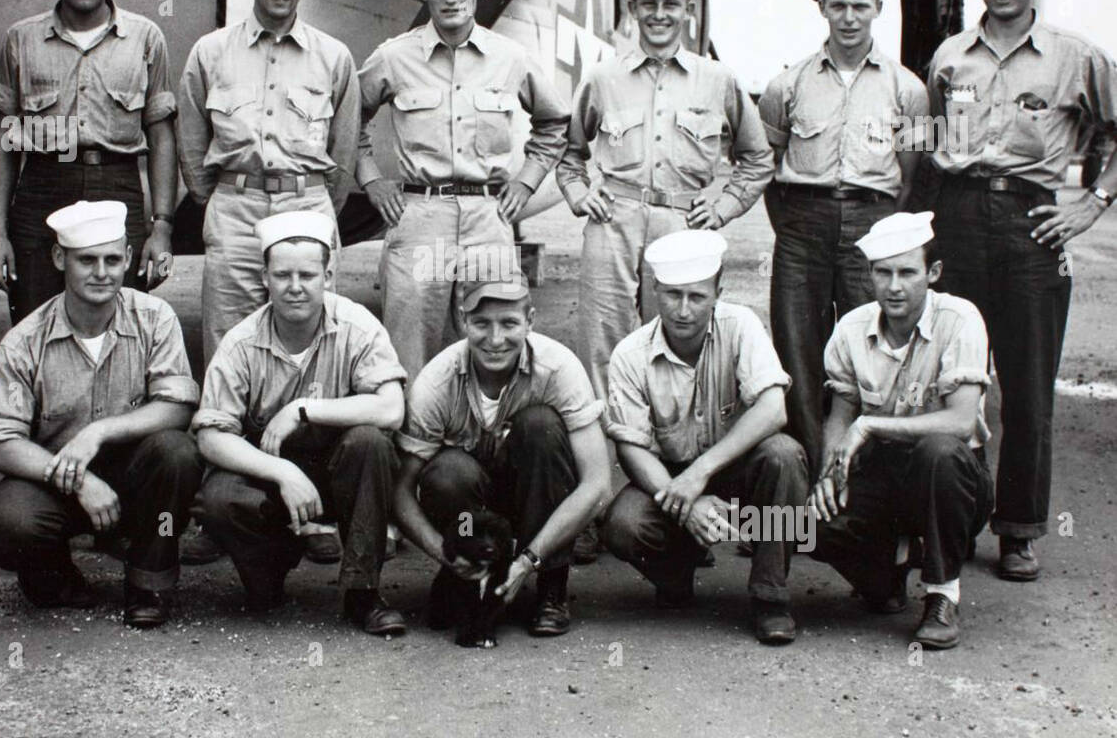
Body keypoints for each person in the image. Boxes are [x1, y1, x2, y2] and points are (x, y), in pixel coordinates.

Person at [925, 0, 1117, 581]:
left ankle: (1018, 527)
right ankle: (948, 514)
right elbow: (931, 143)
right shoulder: (951, 57)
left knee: (1027, 387)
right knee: (947, 373)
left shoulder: (1077, 57)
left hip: (1032, 222)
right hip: (958, 216)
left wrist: (1092, 202)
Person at [557, 0, 773, 403]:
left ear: (688, 9)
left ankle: (670, 438)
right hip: (612, 221)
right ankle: (607, 446)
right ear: (632, 10)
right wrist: (579, 196)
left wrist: (722, 208)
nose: (660, 14)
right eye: (649, 4)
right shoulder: (602, 78)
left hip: (681, 224)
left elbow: (757, 159)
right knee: (603, 338)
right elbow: (569, 154)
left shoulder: (718, 80)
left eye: (671, 4)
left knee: (676, 336)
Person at [0, 201, 203, 628]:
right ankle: (54, 575)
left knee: (177, 454)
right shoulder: (25, 340)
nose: (102, 272)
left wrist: (97, 432)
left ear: (129, 259)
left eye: (113, 259)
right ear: (60, 259)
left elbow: (177, 407)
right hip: (58, 479)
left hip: (135, 473)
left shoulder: (155, 318)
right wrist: (81, 481)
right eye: (87, 260)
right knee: (6, 524)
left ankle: (147, 581)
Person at [357, 0, 569, 380]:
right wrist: (371, 178)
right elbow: (345, 118)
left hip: (487, 220)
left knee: (491, 340)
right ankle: (412, 445)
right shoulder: (394, 58)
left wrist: (527, 180)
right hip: (419, 219)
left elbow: (556, 121)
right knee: (408, 349)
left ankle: (479, 446)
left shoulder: (510, 57)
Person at [192, 211, 410, 635]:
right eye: (283, 275)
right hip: (270, 477)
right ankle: (269, 570)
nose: (295, 287)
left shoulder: (357, 325)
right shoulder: (240, 342)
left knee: (371, 444)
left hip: (339, 474)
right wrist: (284, 472)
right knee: (219, 496)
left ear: (328, 276)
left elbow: (390, 409)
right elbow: (212, 437)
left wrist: (303, 410)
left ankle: (363, 592)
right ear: (264, 278)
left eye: (307, 275)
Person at [760, 0, 928, 475]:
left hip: (871, 224)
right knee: (797, 351)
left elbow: (910, 175)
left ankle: (863, 483)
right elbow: (766, 166)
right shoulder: (786, 85)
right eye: (839, 6)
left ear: (878, 7)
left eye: (860, 6)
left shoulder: (909, 89)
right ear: (823, 9)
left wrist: (877, 232)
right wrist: (791, 227)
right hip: (802, 226)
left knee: (873, 350)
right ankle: (803, 479)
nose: (850, 17)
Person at [600, 230, 807, 645]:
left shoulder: (742, 324)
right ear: (655, 290)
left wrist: (701, 473)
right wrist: (688, 496)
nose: (683, 310)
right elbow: (630, 447)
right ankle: (677, 568)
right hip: (670, 476)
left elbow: (773, 409)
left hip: (735, 466)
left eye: (696, 297)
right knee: (622, 524)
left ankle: (771, 595)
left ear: (718, 292)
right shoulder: (630, 353)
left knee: (784, 456)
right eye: (673, 295)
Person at [390, 255, 611, 643]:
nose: (495, 340)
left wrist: (529, 560)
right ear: (462, 322)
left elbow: (597, 484)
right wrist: (443, 551)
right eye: (481, 323)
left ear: (531, 321)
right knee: (447, 473)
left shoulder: (559, 369)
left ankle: (550, 587)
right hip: (472, 516)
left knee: (540, 426)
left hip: (536, 502)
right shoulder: (437, 382)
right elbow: (402, 490)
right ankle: (464, 571)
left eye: (509, 323)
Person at [177, 0, 358, 366]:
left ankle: (302, 427)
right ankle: (226, 430)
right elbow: (192, 142)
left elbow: (344, 148)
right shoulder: (211, 52)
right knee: (229, 336)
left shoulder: (334, 58)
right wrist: (219, 198)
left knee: (307, 331)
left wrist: (313, 202)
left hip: (307, 207)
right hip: (235, 210)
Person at [808, 211, 994, 650]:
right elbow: (840, 413)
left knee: (939, 453)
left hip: (953, 480)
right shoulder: (851, 328)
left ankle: (942, 595)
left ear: (933, 273)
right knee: (810, 522)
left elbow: (963, 420)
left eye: (908, 272)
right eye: (883, 272)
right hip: (883, 477)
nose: (894, 286)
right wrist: (828, 476)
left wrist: (871, 425)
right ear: (869, 274)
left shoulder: (960, 319)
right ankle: (884, 573)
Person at [0, 0, 179, 324]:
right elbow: (2, 141)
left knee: (120, 318)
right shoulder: (21, 39)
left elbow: (161, 136)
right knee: (36, 319)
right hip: (40, 186)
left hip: (118, 185)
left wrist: (161, 227)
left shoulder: (145, 39)